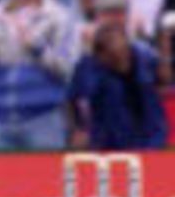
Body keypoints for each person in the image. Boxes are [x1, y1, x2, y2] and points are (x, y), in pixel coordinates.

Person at [0, 0, 81, 151]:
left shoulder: (61, 19)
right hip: (1, 117)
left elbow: (65, 66)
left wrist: (38, 47)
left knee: (45, 180)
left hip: (42, 118)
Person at [70, 22, 170, 150]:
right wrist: (80, 128)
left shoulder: (144, 57)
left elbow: (164, 79)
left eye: (125, 51)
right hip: (109, 145)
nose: (123, 59)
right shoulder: (88, 67)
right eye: (114, 56)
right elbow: (74, 98)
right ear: (101, 56)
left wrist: (165, 53)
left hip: (151, 140)